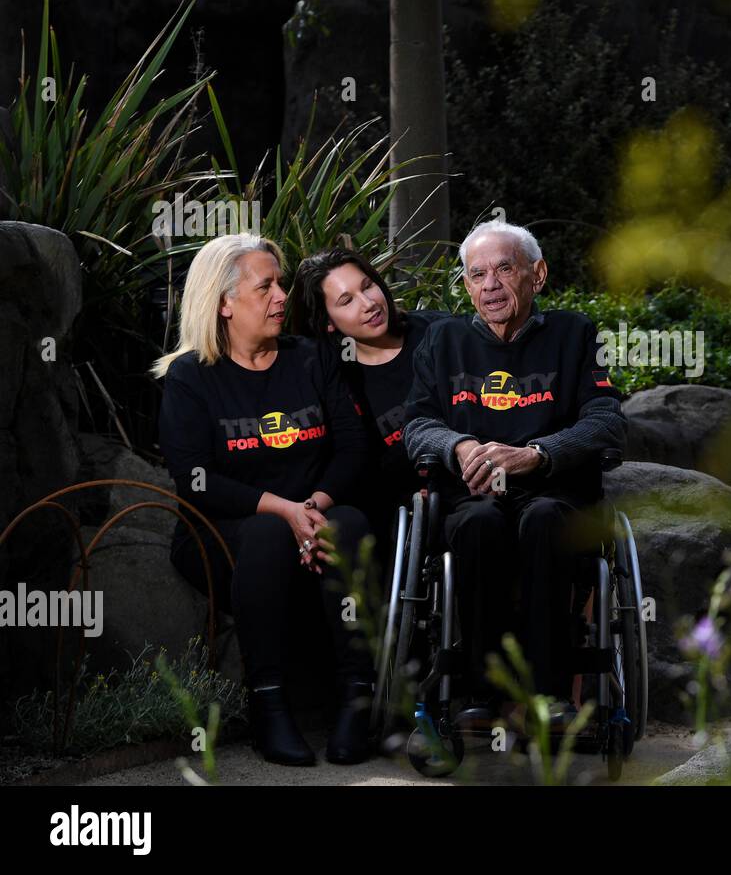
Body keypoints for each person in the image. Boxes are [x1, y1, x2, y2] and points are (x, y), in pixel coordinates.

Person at [153, 233, 375, 766]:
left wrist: (314, 505)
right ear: (224, 303)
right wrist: (284, 509)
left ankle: (357, 703)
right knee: (270, 533)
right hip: (224, 530)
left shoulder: (311, 358)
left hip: (313, 514)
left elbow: (353, 445)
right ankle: (269, 707)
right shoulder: (190, 377)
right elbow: (195, 477)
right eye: (266, 286)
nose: (282, 296)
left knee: (350, 526)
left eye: (280, 282)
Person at [403, 221, 626, 729]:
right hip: (473, 495)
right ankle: (483, 693)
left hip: (555, 491)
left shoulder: (575, 334)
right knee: (480, 526)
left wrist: (538, 454)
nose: (491, 285)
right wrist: (457, 446)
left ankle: (551, 695)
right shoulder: (444, 341)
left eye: (505, 268)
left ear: (537, 274)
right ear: (466, 286)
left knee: (546, 520)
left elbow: (607, 421)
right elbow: (417, 424)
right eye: (477, 274)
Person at [288, 247, 449, 555]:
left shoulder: (438, 332)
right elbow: (357, 464)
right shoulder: (336, 378)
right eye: (346, 301)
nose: (369, 304)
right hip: (400, 512)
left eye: (368, 286)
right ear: (328, 322)